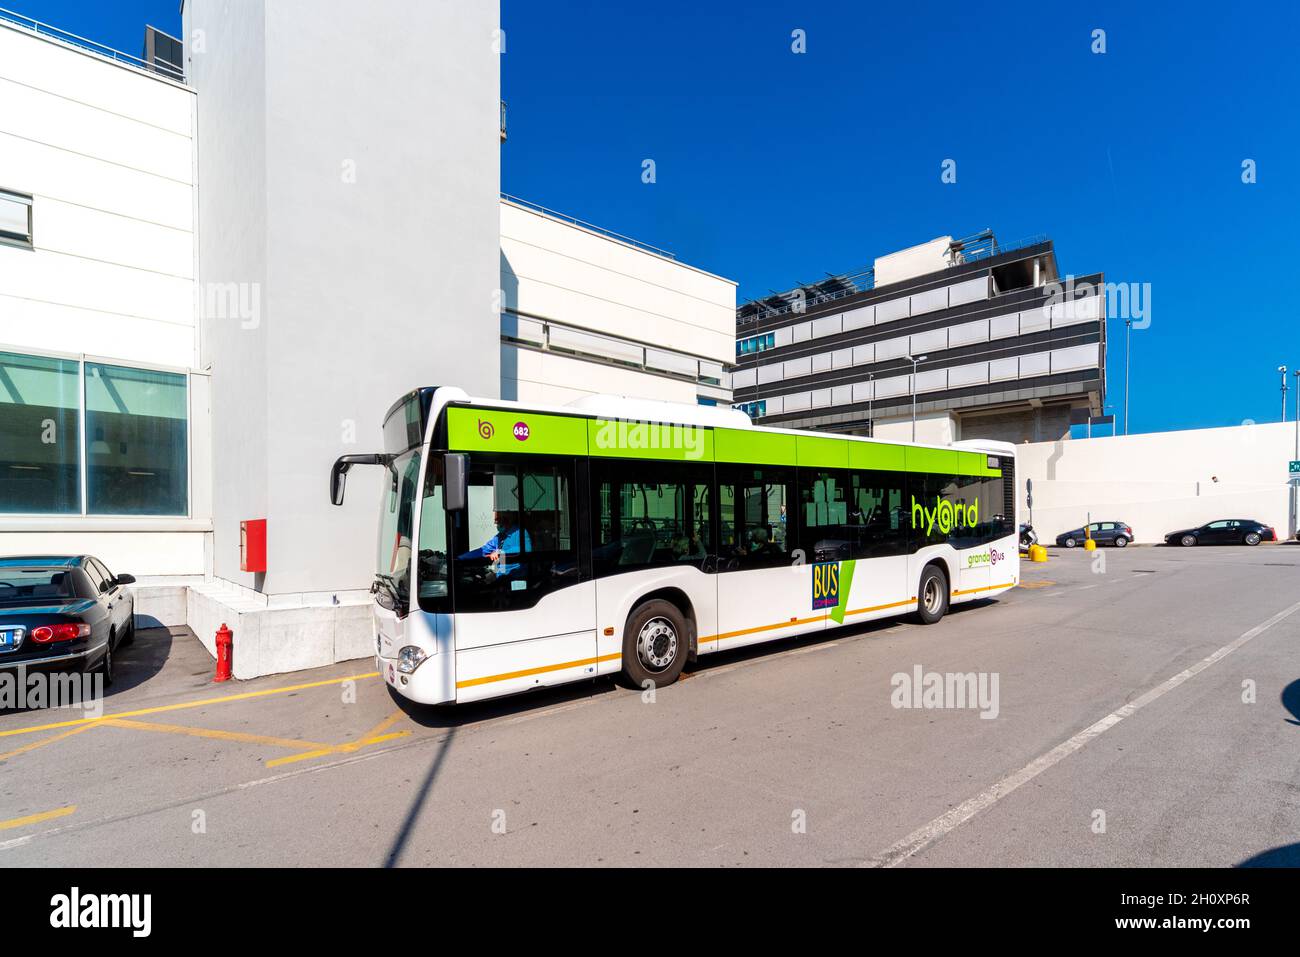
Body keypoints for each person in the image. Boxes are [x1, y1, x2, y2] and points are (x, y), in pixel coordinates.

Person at [462, 511, 531, 577]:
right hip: (500, 576)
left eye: (498, 522)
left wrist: (500, 552)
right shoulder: (499, 536)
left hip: (516, 577)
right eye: (496, 522)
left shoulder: (520, 532)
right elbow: (484, 550)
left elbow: (525, 549)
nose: (497, 525)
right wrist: (461, 558)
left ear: (508, 520)